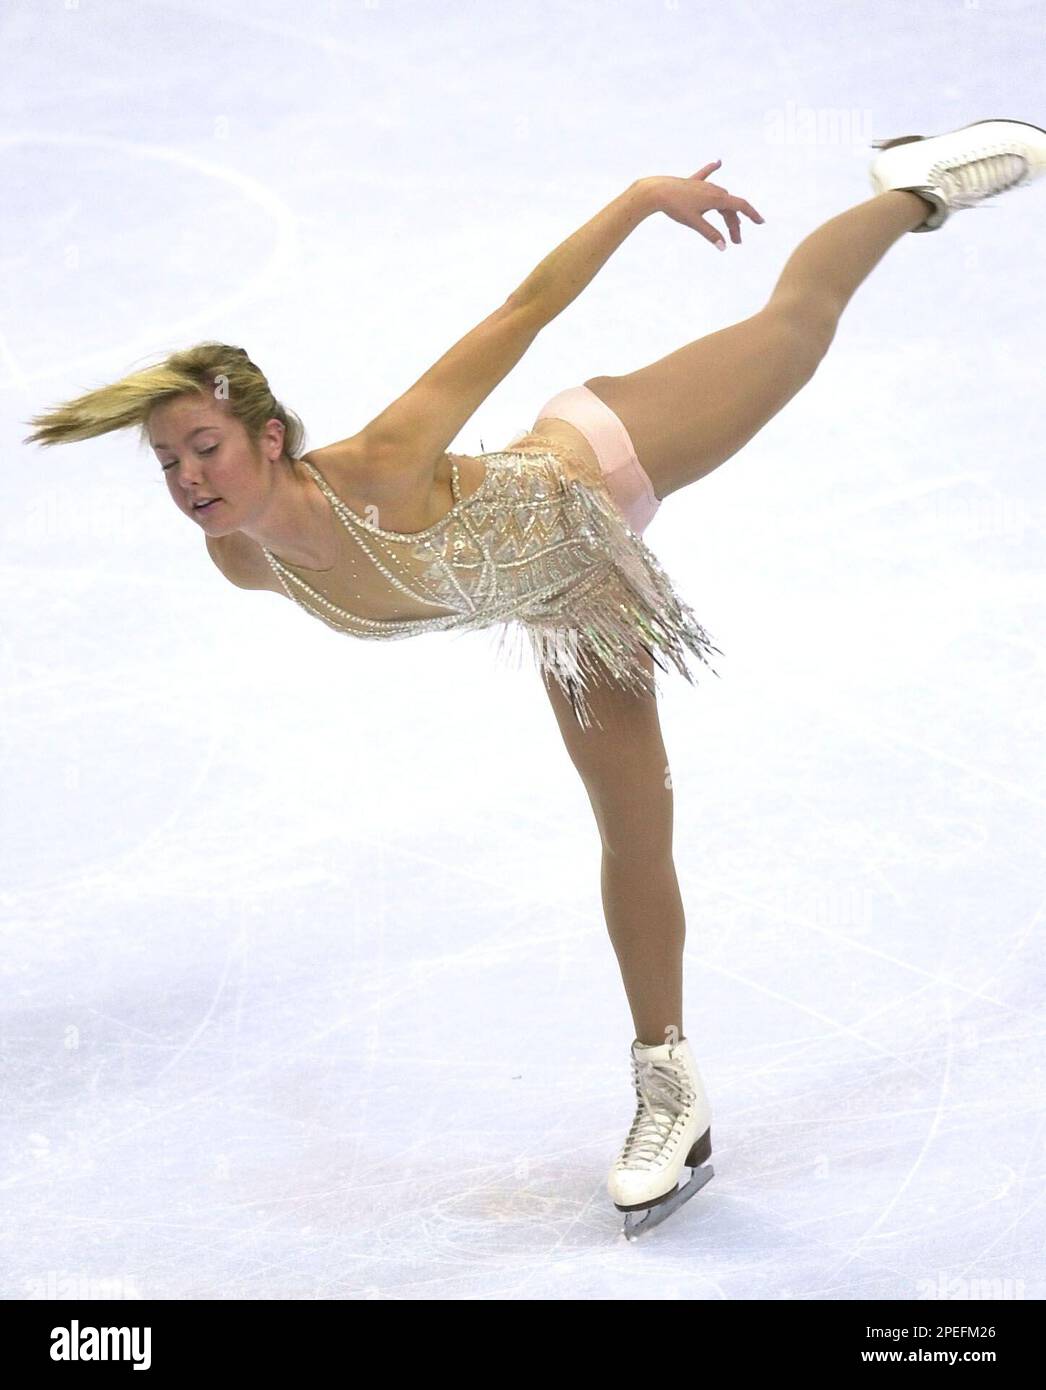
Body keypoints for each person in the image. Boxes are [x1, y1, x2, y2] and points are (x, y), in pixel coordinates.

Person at [23, 118, 1046, 1237]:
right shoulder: (241, 561)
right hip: (569, 605)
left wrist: (638, 198)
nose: (185, 477)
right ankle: (670, 1088)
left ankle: (912, 190)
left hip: (597, 462)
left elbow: (519, 311)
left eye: (203, 446)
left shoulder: (377, 465)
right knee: (633, 826)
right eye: (167, 460)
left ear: (268, 437)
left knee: (794, 331)